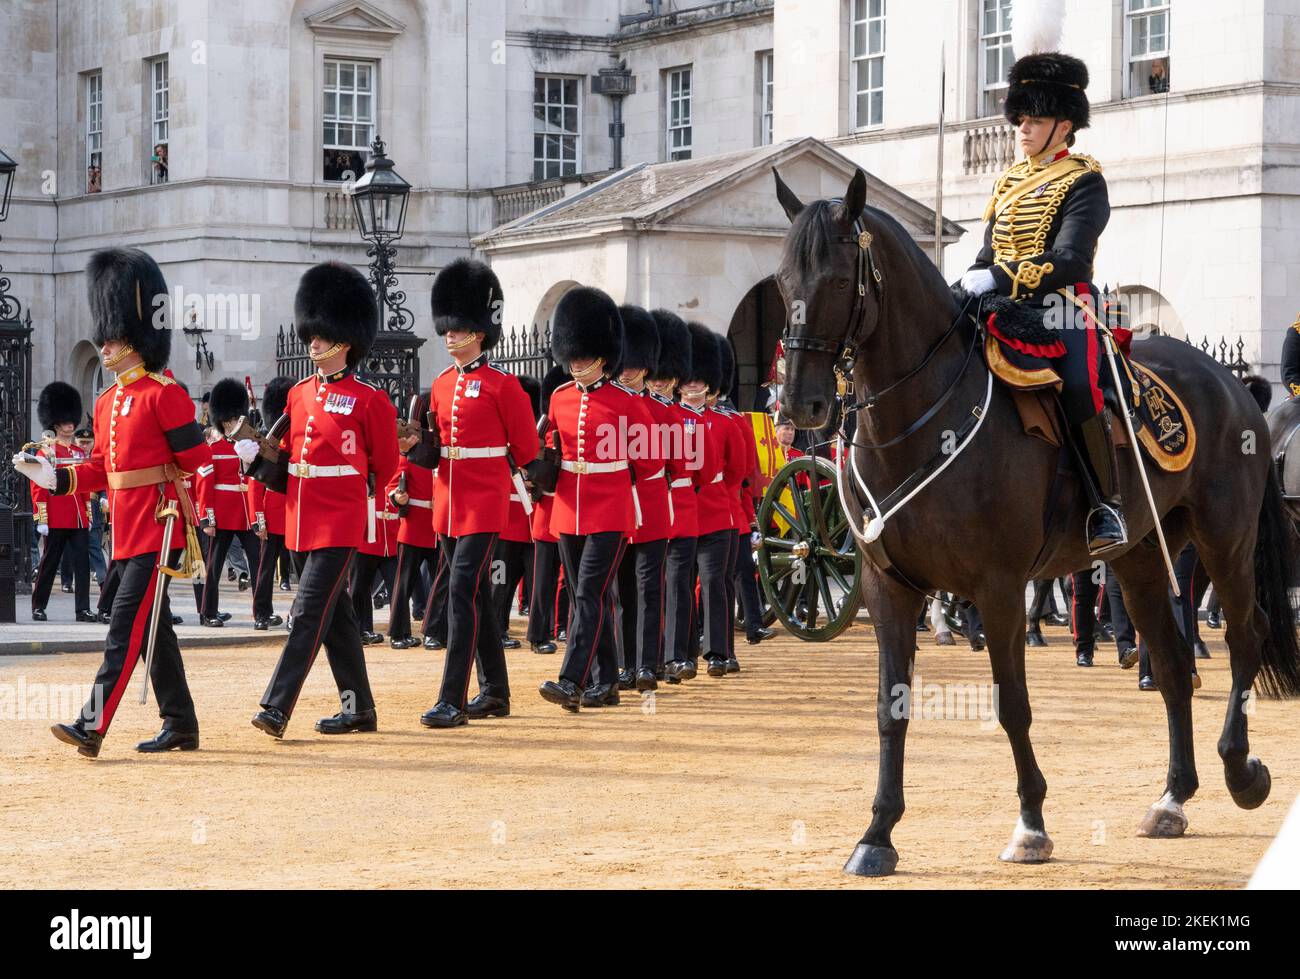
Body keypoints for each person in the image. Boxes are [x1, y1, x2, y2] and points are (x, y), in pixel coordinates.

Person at [13, 248, 210, 756]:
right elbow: (101, 468)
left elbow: (197, 459)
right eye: (105, 336)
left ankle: (91, 724)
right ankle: (181, 721)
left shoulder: (164, 394)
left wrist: (175, 489)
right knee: (152, 628)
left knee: (123, 626)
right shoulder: (107, 400)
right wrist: (54, 477)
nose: (106, 345)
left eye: (115, 336)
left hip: (157, 526)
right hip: (124, 530)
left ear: (136, 338)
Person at [959, 32, 1124, 558]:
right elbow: (989, 253)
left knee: (1079, 386)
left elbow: (1072, 259)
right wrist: (968, 280)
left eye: (1032, 119)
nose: (1022, 128)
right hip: (1001, 305)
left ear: (1064, 124)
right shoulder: (1007, 182)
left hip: (1064, 307)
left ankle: (1105, 504)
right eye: (1020, 119)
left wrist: (1000, 279)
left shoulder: (1084, 181)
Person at [237, 262, 397, 739]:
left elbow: (385, 466)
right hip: (301, 517)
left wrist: (357, 498)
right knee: (338, 619)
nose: (313, 343)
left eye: (322, 336)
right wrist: (255, 457)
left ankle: (277, 705)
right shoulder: (300, 395)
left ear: (345, 340)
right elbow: (286, 460)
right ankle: (359, 708)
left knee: (306, 613)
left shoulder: (370, 399)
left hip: (340, 519)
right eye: (312, 335)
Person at [410, 259, 537, 728]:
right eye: (448, 328)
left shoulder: (504, 386)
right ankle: (496, 692)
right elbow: (437, 447)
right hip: (448, 501)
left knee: (460, 591)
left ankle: (452, 697)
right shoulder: (441, 385)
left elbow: (526, 450)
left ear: (480, 332)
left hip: (485, 503)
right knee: (478, 595)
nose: (449, 336)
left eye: (459, 328)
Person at [537, 287, 656, 711]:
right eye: (572, 355)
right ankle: (605, 682)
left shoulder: (627, 404)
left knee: (587, 591)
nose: (576, 363)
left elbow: (646, 461)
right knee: (588, 595)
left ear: (602, 356)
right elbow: (552, 445)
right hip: (568, 507)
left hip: (609, 508)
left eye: (583, 356)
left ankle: (572, 678)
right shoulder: (559, 397)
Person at [613, 306, 671, 692]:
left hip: (649, 504)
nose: (627, 371)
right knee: (621, 592)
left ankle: (648, 664)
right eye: (624, 363)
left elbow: (678, 460)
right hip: (618, 506)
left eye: (634, 365)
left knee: (650, 590)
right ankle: (624, 664)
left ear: (646, 368)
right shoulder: (608, 401)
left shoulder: (661, 410)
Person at [658, 313, 713, 683]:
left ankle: (679, 654)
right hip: (645, 509)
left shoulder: (684, 421)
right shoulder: (645, 413)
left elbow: (700, 472)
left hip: (679, 507)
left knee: (678, 582)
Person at [193, 378, 263, 627]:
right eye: (228, 421)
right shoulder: (213, 447)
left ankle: (262, 613)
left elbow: (258, 479)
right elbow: (204, 484)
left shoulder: (251, 443)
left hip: (245, 513)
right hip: (221, 512)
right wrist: (207, 518)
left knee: (258, 562)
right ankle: (208, 612)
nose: (232, 425)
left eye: (235, 419)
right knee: (213, 565)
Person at [29, 382, 96, 623]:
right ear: (55, 422)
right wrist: (42, 517)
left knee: (82, 563)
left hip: (77, 516)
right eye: (65, 421)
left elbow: (85, 485)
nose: (70, 425)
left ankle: (83, 609)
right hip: (56, 515)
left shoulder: (79, 453)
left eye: (71, 421)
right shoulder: (45, 452)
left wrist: (87, 514)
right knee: (49, 563)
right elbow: (38, 486)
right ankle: (38, 606)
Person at [386, 394, 439, 649]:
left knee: (440, 584)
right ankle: (398, 632)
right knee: (404, 582)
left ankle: (434, 630)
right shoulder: (408, 456)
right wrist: (399, 497)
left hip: (438, 525)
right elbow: (393, 486)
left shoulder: (439, 455)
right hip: (415, 525)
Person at [525, 365, 569, 656]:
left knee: (569, 577)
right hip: (549, 507)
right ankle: (538, 633)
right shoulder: (542, 433)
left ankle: (564, 625)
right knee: (543, 577)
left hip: (567, 507)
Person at [249, 376, 292, 631]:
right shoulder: (270, 443)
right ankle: (261, 613)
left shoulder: (295, 440)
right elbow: (256, 484)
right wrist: (259, 520)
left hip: (294, 514)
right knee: (265, 570)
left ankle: (297, 614)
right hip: (275, 515)